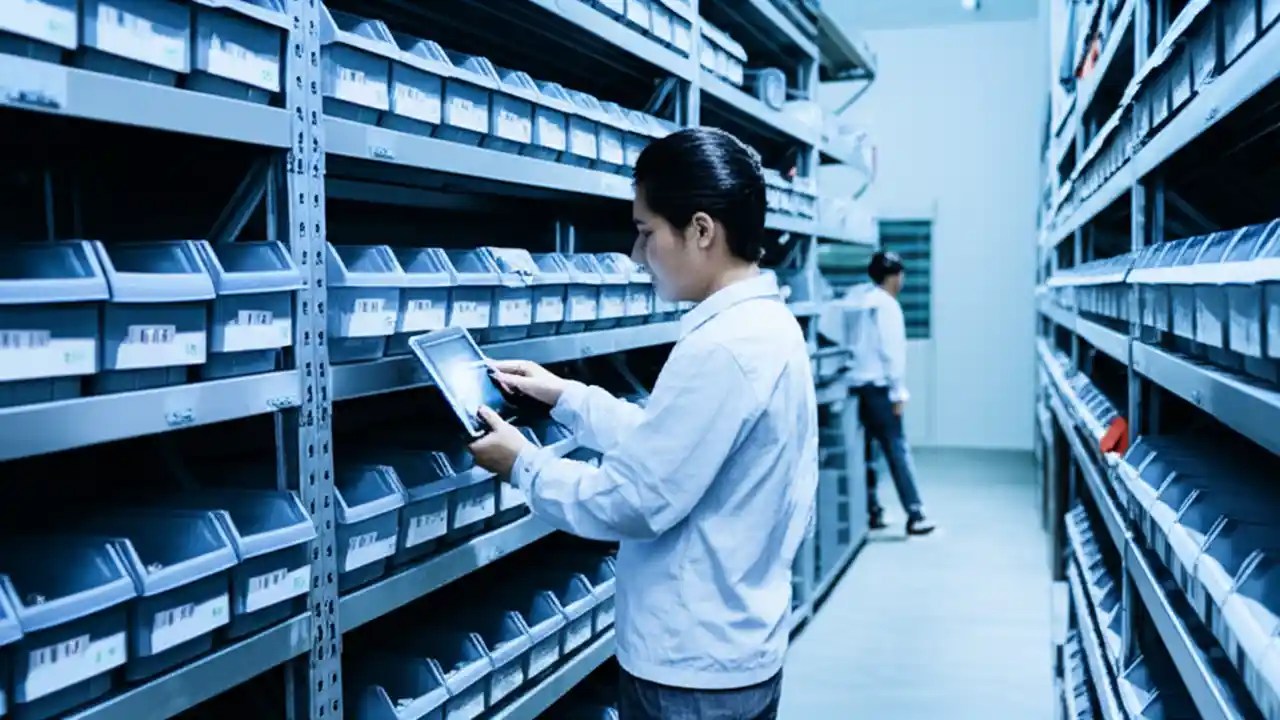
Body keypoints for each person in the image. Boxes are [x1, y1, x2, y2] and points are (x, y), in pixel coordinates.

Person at [466, 127, 818, 720]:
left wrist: (522, 465)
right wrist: (567, 397)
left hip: (691, 669)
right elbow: (672, 447)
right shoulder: (767, 328)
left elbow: (633, 499)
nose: (636, 255)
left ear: (701, 230)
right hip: (733, 647)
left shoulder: (723, 349)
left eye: (646, 232)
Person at [843, 251, 936, 536]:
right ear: (895, 276)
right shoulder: (888, 307)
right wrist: (899, 394)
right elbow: (892, 353)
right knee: (897, 449)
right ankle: (915, 514)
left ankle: (872, 511)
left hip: (858, 386)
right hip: (881, 390)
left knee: (865, 451)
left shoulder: (861, 300)